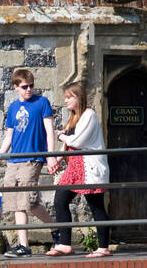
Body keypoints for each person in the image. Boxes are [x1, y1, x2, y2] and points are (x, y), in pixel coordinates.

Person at [0, 68, 57, 257]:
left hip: (33, 158)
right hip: (14, 159)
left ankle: (57, 229)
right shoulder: (12, 107)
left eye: (31, 86)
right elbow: (9, 135)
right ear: (16, 87)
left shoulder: (42, 103)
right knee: (16, 202)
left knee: (30, 201)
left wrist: (51, 155)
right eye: (25, 87)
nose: (29, 90)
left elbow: (49, 130)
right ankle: (23, 246)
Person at [47, 81, 112, 257]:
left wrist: (61, 136)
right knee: (60, 200)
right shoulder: (73, 118)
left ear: (79, 97)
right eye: (65, 98)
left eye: (70, 97)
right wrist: (56, 160)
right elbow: (68, 145)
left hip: (89, 167)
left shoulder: (89, 115)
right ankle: (64, 244)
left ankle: (103, 247)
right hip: (75, 168)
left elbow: (77, 141)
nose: (66, 101)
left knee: (96, 206)